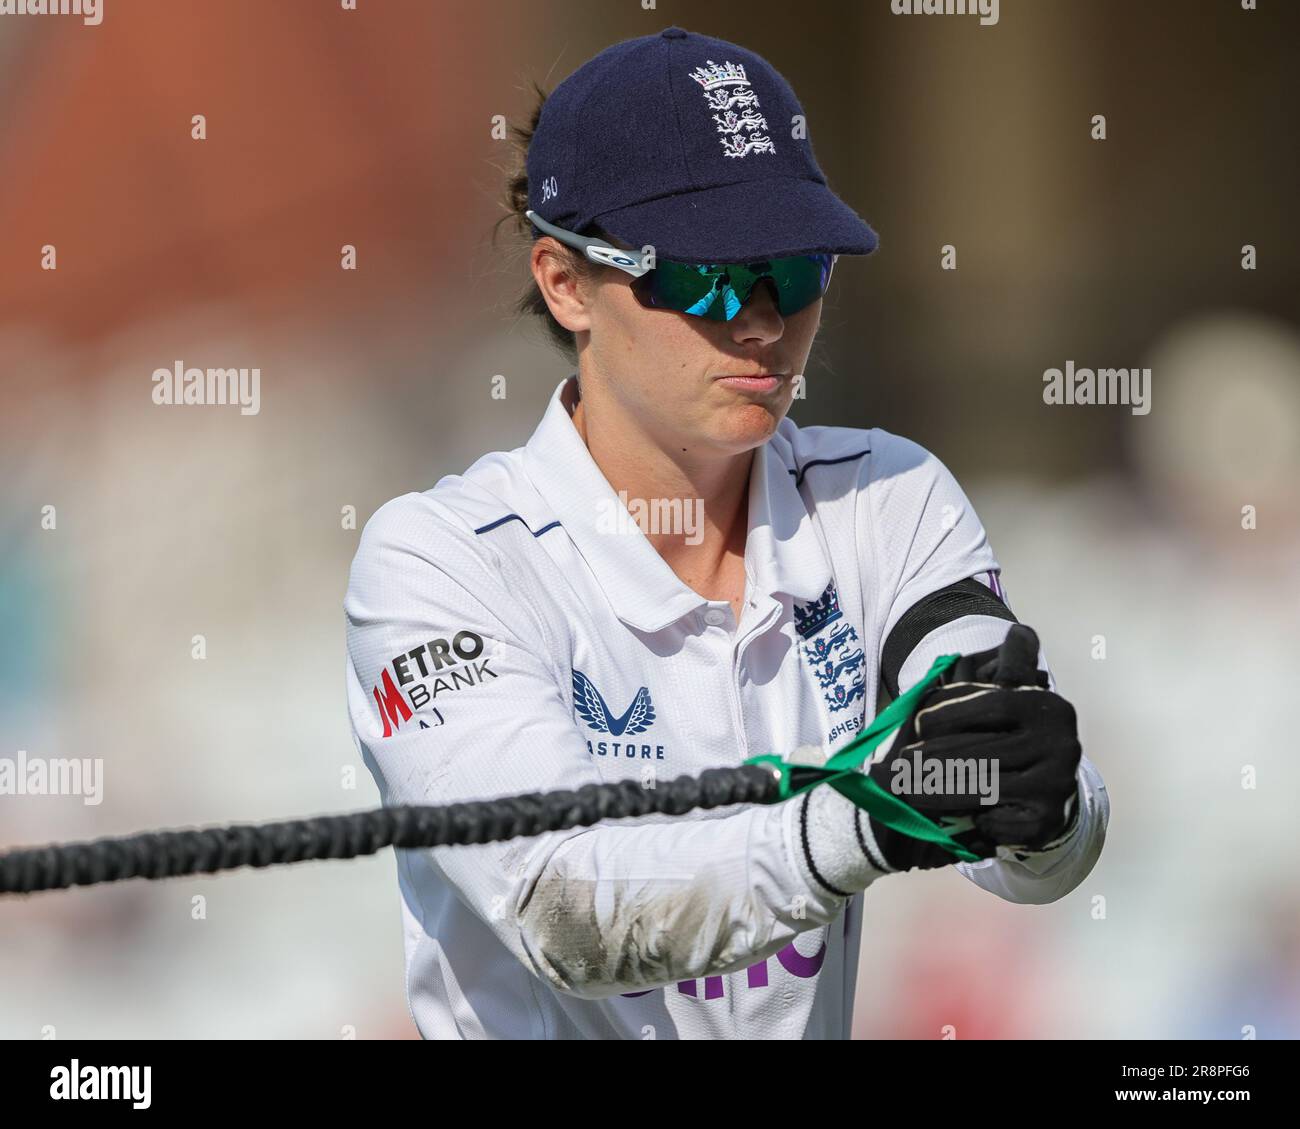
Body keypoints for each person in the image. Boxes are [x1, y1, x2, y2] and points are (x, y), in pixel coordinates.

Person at [344, 25, 1108, 1039]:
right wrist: (864, 823)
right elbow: (567, 910)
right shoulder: (435, 559)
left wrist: (1042, 803)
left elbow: (1025, 850)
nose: (758, 322)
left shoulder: (890, 492)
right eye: (701, 278)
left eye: (793, 271)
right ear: (567, 283)